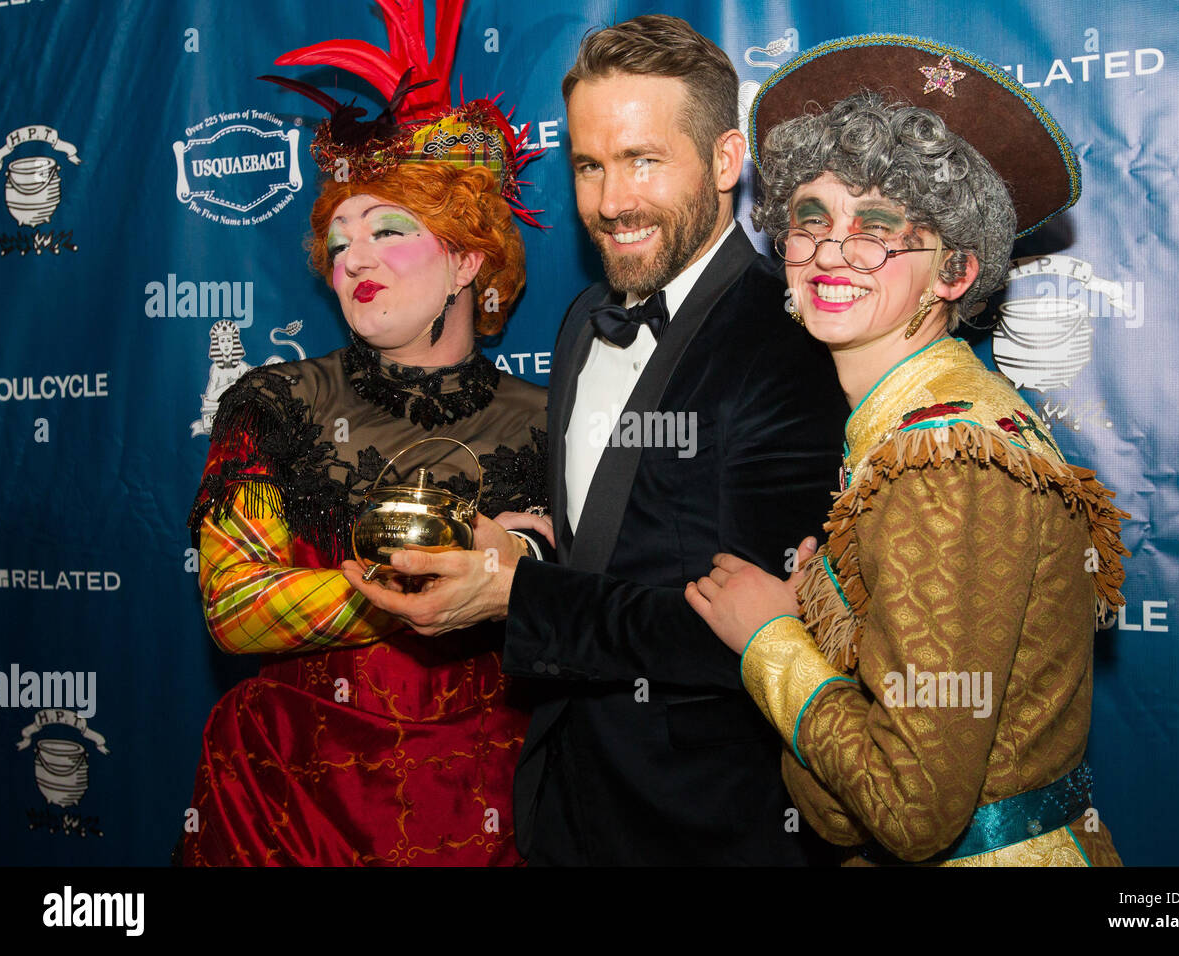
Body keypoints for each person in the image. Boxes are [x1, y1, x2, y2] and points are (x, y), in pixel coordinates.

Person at [344, 15, 847, 865]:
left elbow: (755, 637)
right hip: (568, 802)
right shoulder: (584, 319)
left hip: (707, 826)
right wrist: (523, 556)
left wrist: (514, 595)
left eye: (644, 160)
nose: (612, 202)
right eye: (589, 166)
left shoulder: (788, 343)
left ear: (726, 162)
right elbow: (610, 557)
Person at [685, 35, 1129, 866]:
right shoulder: (908, 427)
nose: (831, 251)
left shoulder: (946, 462)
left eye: (878, 228)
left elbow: (912, 808)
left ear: (955, 271)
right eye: (810, 218)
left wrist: (769, 641)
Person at [182, 2, 547, 866]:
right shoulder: (276, 399)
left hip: (492, 807)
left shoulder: (548, 420)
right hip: (283, 803)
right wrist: (464, 574)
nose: (355, 259)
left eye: (389, 230)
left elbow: (599, 609)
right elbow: (234, 608)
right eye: (339, 240)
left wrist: (529, 578)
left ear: (468, 259)